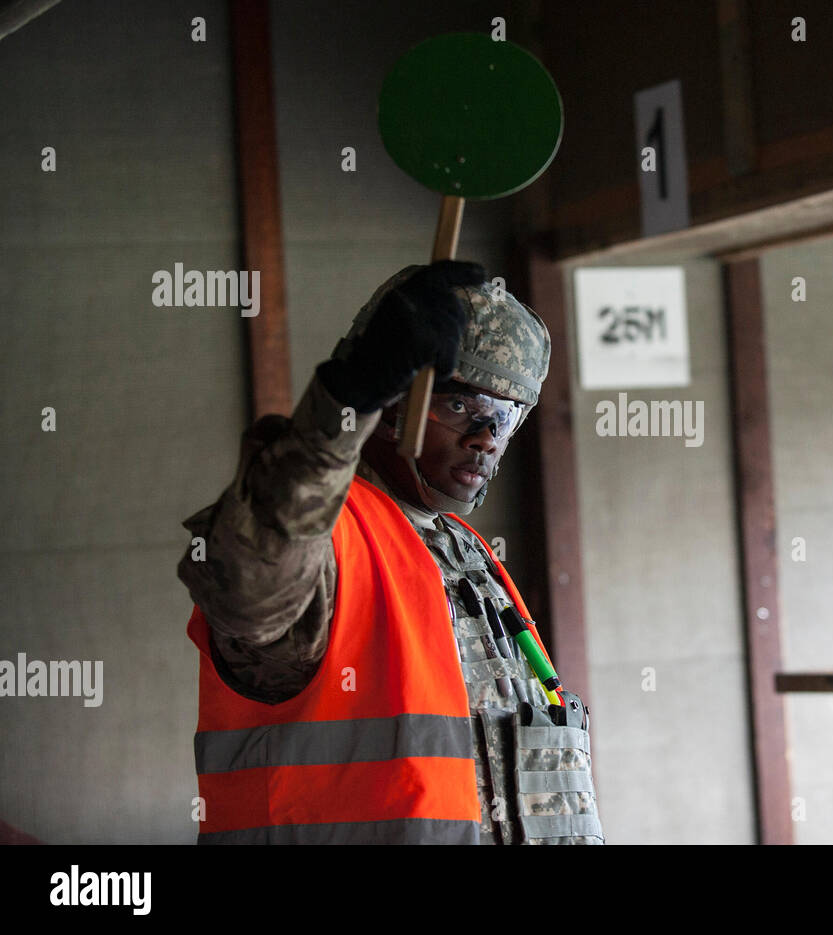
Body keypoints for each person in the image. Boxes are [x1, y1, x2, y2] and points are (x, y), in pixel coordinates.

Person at [177, 260, 604, 845]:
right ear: (392, 401)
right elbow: (251, 583)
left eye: (506, 417)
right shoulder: (334, 534)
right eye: (458, 407)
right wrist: (345, 398)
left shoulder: (465, 553)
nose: (484, 437)